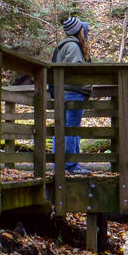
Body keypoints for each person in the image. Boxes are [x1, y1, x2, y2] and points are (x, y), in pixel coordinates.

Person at [51, 16, 91, 173]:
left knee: (62, 129)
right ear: (78, 31)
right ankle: (70, 166)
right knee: (71, 129)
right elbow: (76, 73)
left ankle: (60, 165)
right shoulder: (73, 47)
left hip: (65, 93)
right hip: (72, 93)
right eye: (83, 29)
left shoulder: (64, 46)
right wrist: (87, 85)